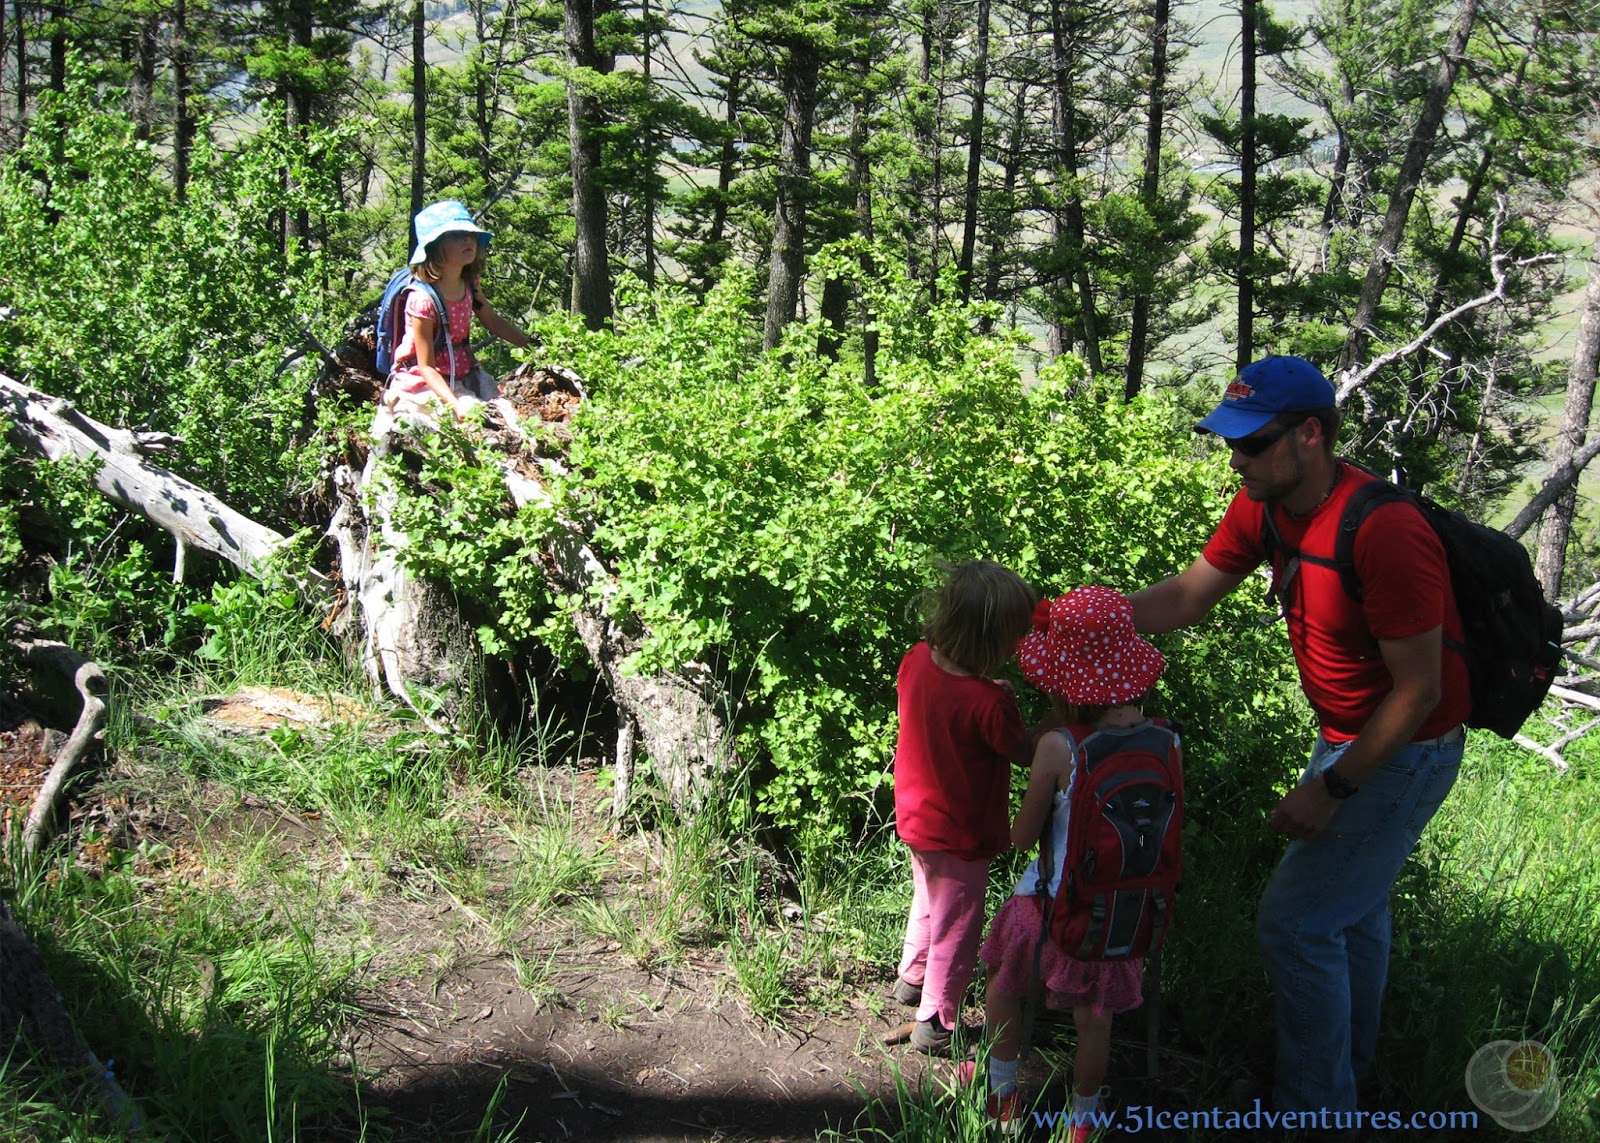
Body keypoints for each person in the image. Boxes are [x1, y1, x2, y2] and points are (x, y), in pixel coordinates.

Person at [1128, 354, 1469, 1114]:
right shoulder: (1265, 504)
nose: (1237, 458)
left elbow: (1420, 692)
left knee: (1295, 921)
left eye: (1252, 442)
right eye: (1230, 442)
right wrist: (1090, 615)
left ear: (1310, 435)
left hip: (1404, 750)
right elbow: (1187, 596)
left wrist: (1332, 787)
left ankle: (1315, 1109)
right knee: (1350, 913)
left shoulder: (1385, 531)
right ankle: (1346, 1072)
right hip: (1349, 733)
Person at [966, 585, 1171, 1139]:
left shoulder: (1059, 745)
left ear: (1065, 677)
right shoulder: (1165, 743)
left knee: (1003, 975)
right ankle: (1084, 1118)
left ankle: (1002, 1091)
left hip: (1055, 911)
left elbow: (1022, 836)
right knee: (1095, 1016)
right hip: (1128, 914)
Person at [891, 559, 1037, 1055]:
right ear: (992, 642)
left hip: (916, 815)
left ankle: (911, 978)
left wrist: (987, 692)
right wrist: (1041, 716)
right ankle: (936, 1019)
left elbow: (945, 702)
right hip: (962, 832)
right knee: (958, 921)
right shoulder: (989, 704)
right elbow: (1022, 750)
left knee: (929, 899)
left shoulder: (916, 659)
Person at [384, 200, 533, 420]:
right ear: (434, 247)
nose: (467, 239)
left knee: (508, 415)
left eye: (470, 234)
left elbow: (491, 320)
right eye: (455, 235)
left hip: (464, 370)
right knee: (477, 420)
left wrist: (531, 346)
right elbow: (426, 367)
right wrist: (455, 404)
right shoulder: (422, 301)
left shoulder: (470, 283)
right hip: (425, 380)